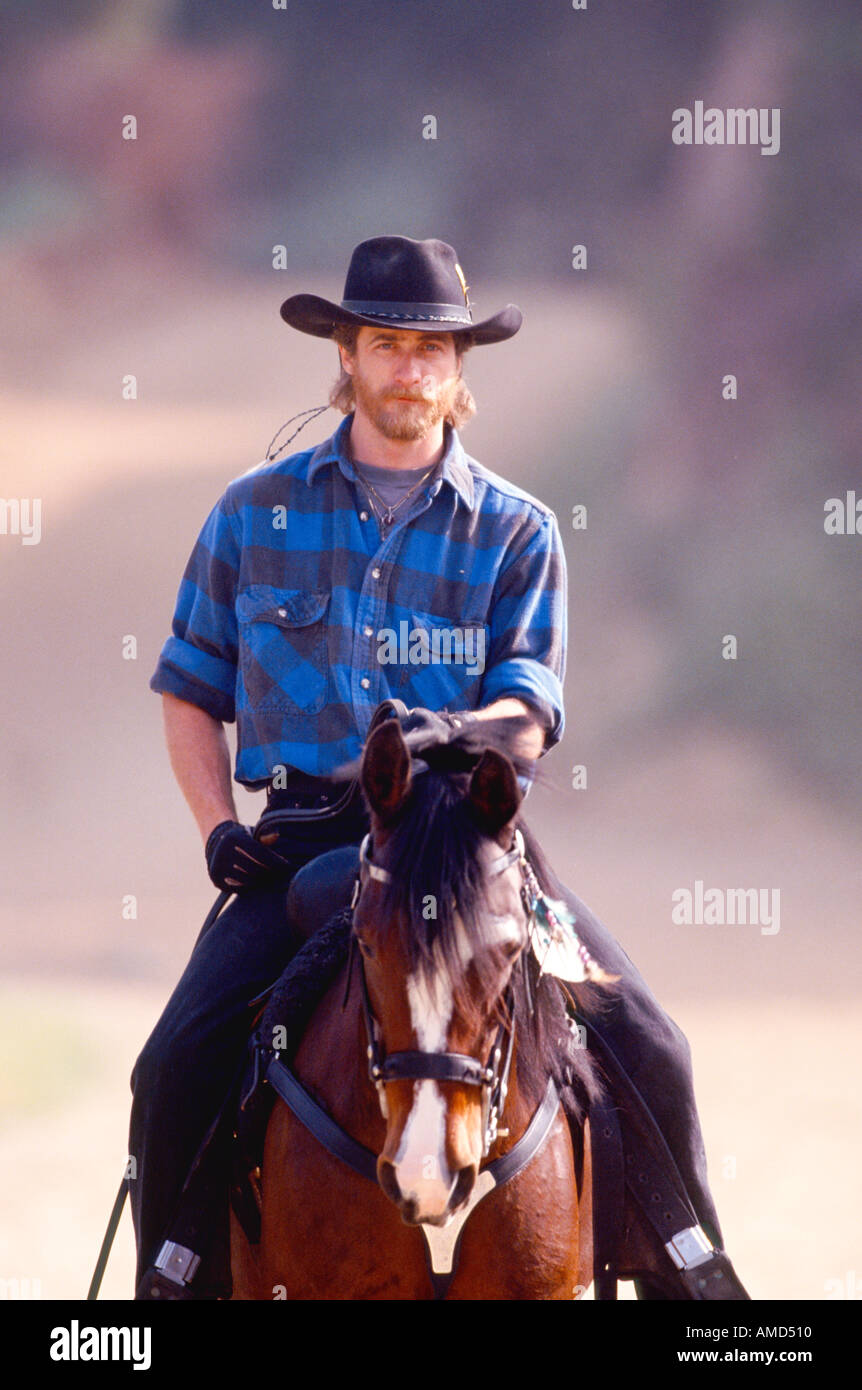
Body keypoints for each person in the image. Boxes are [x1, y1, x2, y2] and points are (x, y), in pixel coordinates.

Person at [131, 234, 742, 1300]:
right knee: (172, 1059)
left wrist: (442, 742)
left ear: (458, 368)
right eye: (386, 344)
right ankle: (167, 1288)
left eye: (430, 348)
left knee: (652, 1038)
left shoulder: (519, 530)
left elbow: (528, 710)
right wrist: (215, 828)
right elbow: (191, 690)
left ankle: (700, 1288)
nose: (408, 366)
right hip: (302, 845)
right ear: (348, 359)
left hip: (467, 843)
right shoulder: (251, 513)